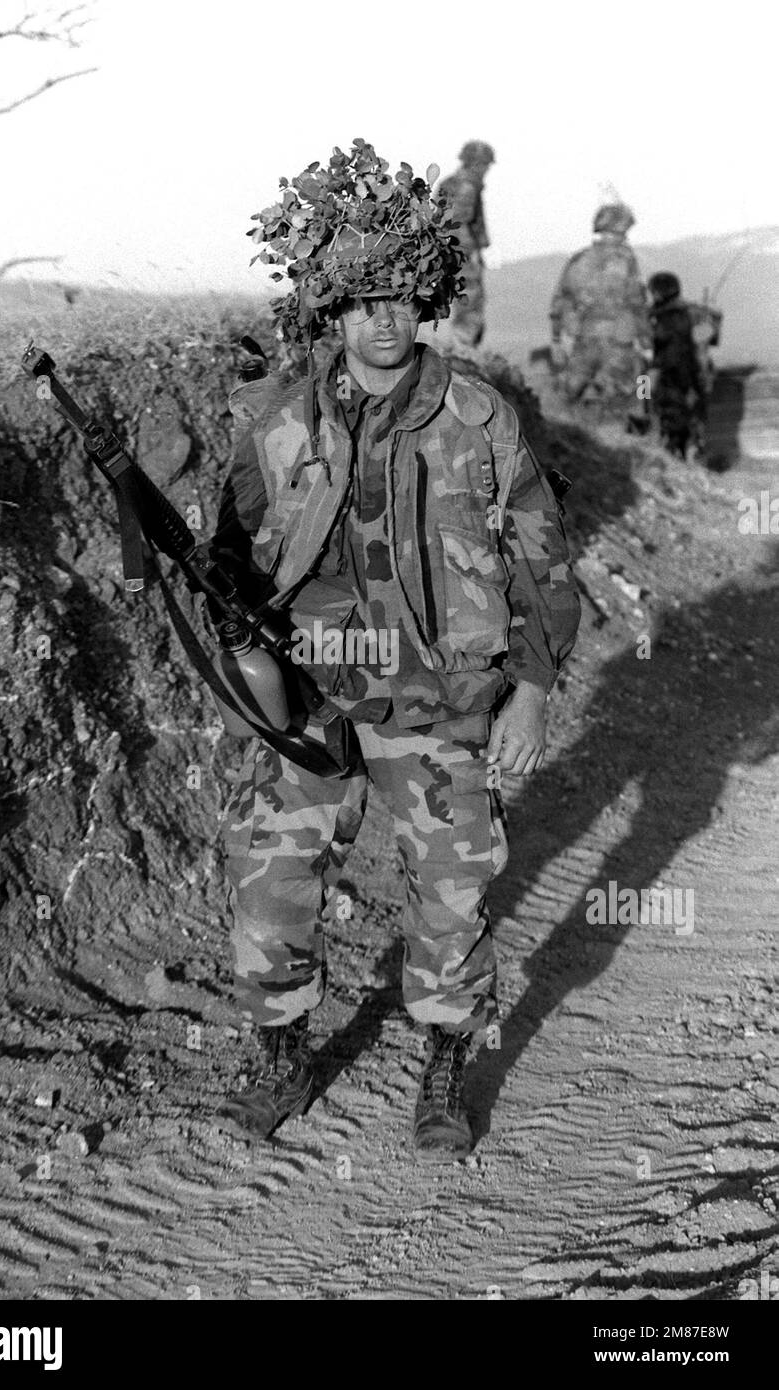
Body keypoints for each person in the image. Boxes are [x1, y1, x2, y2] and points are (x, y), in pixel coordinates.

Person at [211, 139, 581, 1161]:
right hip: (315, 700)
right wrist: (239, 641)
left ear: (424, 296)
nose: (381, 314)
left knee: (451, 895)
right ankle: (280, 1046)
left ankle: (445, 1057)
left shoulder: (476, 415)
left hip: (443, 701)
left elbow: (542, 555)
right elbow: (226, 556)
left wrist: (533, 691)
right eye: (359, 295)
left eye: (399, 292)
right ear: (328, 303)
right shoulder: (277, 420)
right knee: (268, 882)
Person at [549, 203, 651, 425]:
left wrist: (557, 340)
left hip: (581, 340)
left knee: (569, 396)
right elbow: (637, 302)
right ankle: (623, 440)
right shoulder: (626, 259)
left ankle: (571, 436)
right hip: (618, 343)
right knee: (629, 395)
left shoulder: (577, 260)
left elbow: (558, 303)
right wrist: (646, 343)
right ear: (621, 229)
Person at [437, 140, 495, 348]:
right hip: (460, 254)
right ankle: (463, 352)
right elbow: (457, 224)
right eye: (485, 165)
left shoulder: (449, 183)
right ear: (478, 164)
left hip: (446, 253)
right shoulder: (467, 186)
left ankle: (459, 348)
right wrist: (470, 254)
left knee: (463, 302)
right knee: (470, 303)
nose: (486, 170)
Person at [646, 272, 707, 459]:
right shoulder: (693, 311)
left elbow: (649, 342)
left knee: (645, 397)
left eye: (654, 292)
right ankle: (687, 445)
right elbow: (707, 337)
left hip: (663, 371)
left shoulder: (654, 315)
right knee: (688, 410)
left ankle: (664, 441)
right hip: (688, 373)